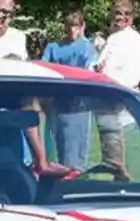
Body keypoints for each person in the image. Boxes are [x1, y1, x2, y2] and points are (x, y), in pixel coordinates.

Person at [92, 0, 140, 178]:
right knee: (111, 148)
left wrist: (115, 89)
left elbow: (135, 73)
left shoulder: (136, 41)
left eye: (125, 14)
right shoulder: (113, 39)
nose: (120, 18)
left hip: (121, 98)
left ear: (131, 17)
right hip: (106, 98)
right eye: (117, 13)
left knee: (122, 150)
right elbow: (99, 66)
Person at [40, 6, 97, 170]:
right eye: (70, 26)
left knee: (75, 153)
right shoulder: (53, 47)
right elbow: (44, 69)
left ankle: (75, 180)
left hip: (78, 106)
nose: (73, 30)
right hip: (55, 104)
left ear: (82, 27)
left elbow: (89, 69)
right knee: (55, 149)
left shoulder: (87, 48)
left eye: (76, 26)